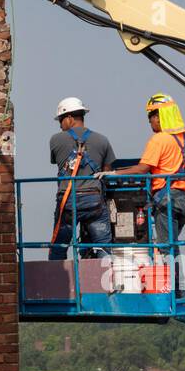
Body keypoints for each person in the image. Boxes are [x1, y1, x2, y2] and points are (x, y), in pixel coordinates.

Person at [103, 93, 185, 251]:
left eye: (151, 115)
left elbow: (143, 168)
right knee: (171, 243)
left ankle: (172, 275)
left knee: (166, 247)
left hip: (167, 199)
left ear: (160, 116)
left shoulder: (159, 139)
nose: (150, 120)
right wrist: (178, 174)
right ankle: (174, 273)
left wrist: (114, 174)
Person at [48, 96, 116, 260]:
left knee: (58, 248)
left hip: (68, 202)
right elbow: (107, 171)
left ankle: (56, 283)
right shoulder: (102, 140)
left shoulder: (56, 140)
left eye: (61, 120)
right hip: (94, 202)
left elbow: (56, 161)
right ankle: (106, 282)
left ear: (70, 118)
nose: (60, 124)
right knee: (103, 247)